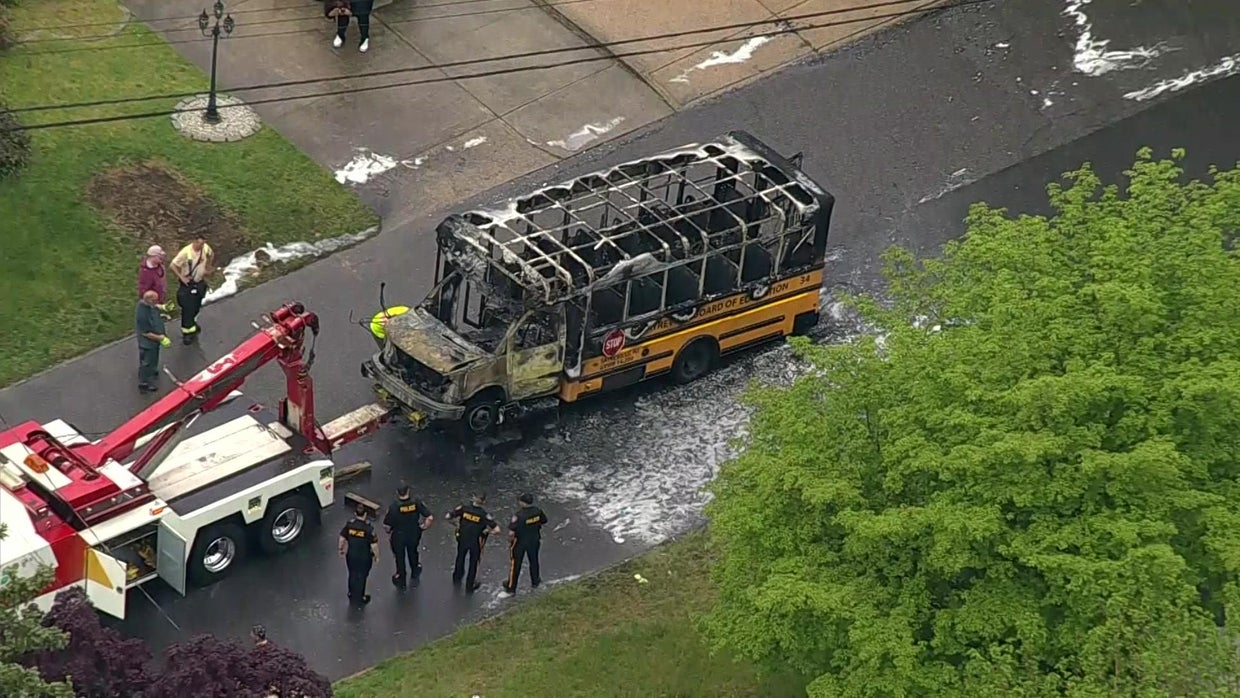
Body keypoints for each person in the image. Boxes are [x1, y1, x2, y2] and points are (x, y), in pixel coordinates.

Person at [446, 493, 501, 593]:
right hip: (476, 542)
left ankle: (457, 578)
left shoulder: (464, 508)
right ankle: (470, 584)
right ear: (483, 501)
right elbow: (497, 530)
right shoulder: (484, 514)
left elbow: (448, 516)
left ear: (473, 498)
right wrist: (487, 531)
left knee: (460, 557)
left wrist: (457, 524)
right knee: (474, 563)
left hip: (462, 539)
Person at [382, 483, 434, 589]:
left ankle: (401, 576)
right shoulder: (416, 503)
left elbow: (387, 525)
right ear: (408, 491)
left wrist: (389, 532)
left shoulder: (394, 507)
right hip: (413, 533)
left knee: (399, 556)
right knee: (413, 551)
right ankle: (415, 570)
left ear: (397, 492)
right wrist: (423, 527)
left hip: (399, 535)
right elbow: (429, 517)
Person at [169, 235, 214, 345]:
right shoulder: (186, 252)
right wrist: (181, 277)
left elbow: (211, 254)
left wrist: (208, 267)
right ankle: (187, 333)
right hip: (188, 285)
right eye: (199, 244)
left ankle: (192, 323)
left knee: (196, 306)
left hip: (199, 283)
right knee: (188, 309)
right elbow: (173, 265)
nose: (201, 246)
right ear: (194, 242)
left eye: (203, 244)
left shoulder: (205, 248)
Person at [503, 493, 548, 595]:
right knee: (534, 561)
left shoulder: (518, 515)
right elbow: (544, 521)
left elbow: (511, 532)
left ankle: (511, 587)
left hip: (520, 542)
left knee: (516, 564)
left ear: (522, 502)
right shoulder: (538, 511)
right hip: (534, 540)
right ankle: (535, 582)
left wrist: (510, 541)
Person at [338, 504, 379, 606]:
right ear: (365, 514)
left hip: (351, 555)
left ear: (355, 514)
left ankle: (351, 593)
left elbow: (342, 538)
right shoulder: (368, 528)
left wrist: (341, 549)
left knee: (352, 574)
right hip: (364, 557)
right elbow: (374, 545)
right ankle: (361, 597)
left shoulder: (349, 525)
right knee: (362, 576)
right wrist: (376, 556)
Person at [135, 290, 172, 393]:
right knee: (147, 362)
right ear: (149, 300)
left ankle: (152, 370)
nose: (157, 302)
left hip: (154, 342)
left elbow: (155, 307)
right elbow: (146, 333)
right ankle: (145, 383)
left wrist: (163, 307)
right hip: (148, 344)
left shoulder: (150, 305)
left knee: (154, 358)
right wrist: (161, 338)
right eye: (155, 300)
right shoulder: (142, 315)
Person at [137, 245, 174, 318]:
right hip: (150, 305)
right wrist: (154, 304)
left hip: (160, 301)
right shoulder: (145, 272)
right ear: (153, 256)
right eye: (160, 256)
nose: (162, 258)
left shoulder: (160, 266)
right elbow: (144, 292)